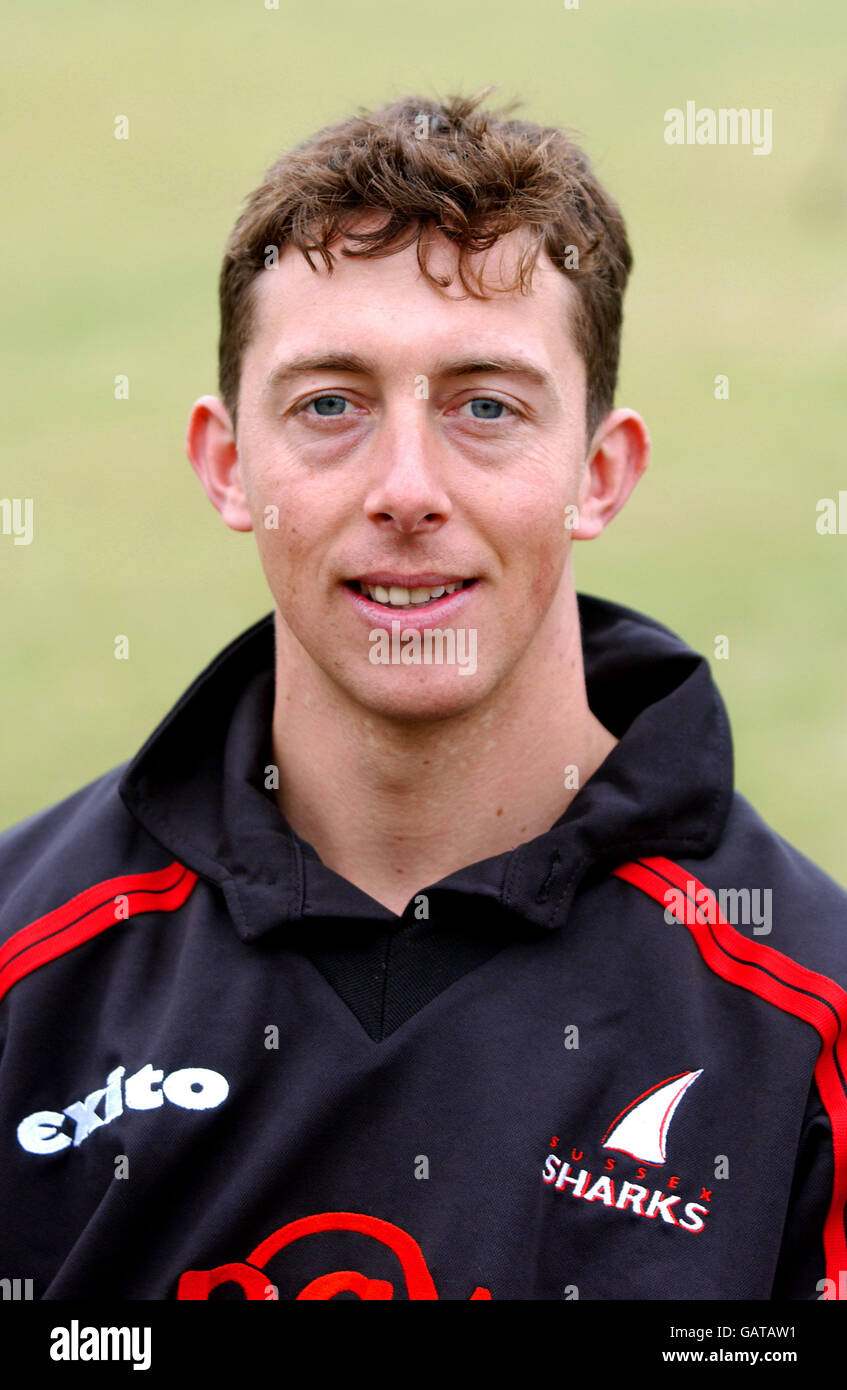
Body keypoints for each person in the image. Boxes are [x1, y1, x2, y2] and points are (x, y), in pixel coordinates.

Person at [1, 88, 845, 1303]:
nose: (407, 487)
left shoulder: (806, 1016)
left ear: (598, 475)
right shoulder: (28, 963)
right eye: (330, 404)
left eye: (485, 407)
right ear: (228, 465)